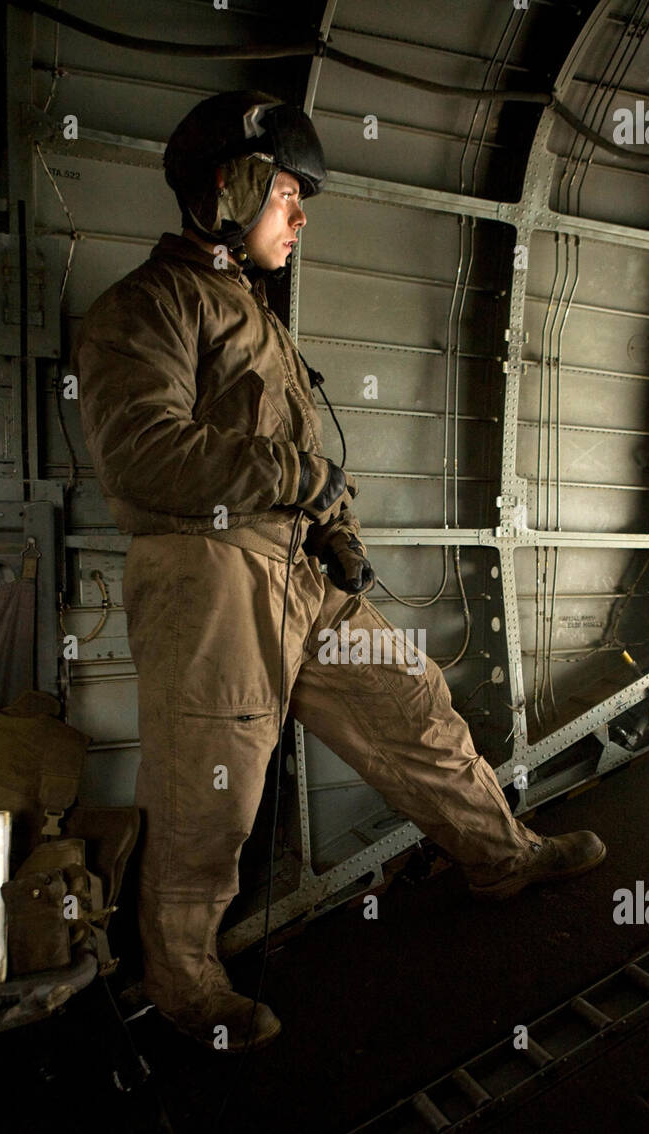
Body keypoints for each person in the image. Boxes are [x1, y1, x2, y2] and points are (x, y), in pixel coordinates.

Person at [75, 90, 606, 1055]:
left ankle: (500, 855)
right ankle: (183, 976)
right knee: (214, 787)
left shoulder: (253, 313)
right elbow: (142, 452)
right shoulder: (145, 306)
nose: (301, 215)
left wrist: (331, 522)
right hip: (210, 574)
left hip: (289, 572)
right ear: (230, 190)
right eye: (287, 195)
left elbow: (287, 455)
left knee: (409, 697)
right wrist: (301, 476)